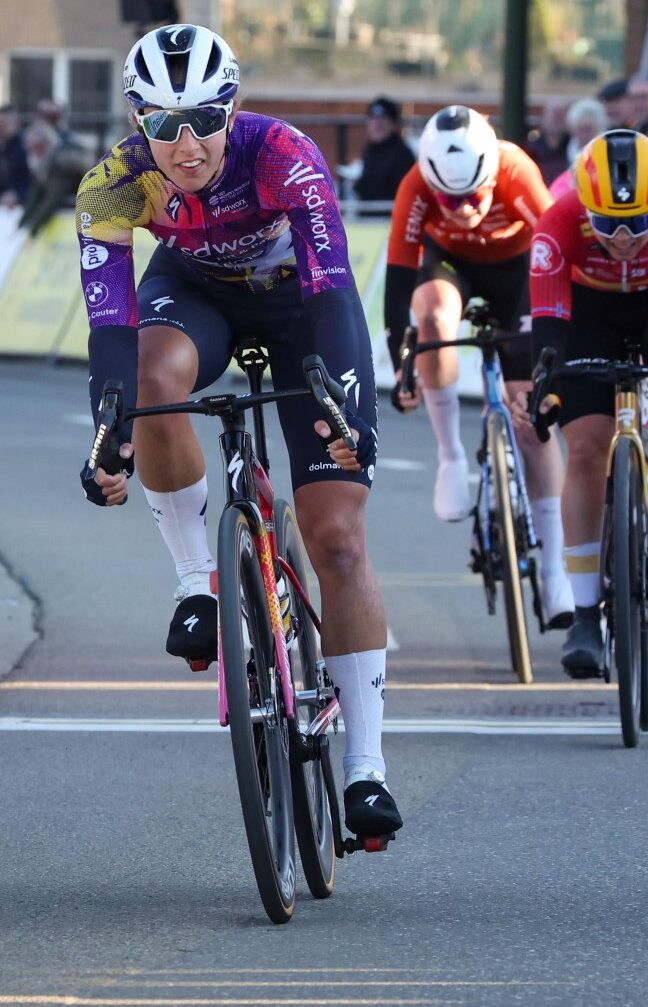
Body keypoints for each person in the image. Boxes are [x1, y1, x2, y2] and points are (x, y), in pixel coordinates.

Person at [75, 26, 400, 839]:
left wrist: (348, 410)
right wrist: (108, 431)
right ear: (135, 120)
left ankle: (366, 769)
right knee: (151, 382)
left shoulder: (283, 154)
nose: (186, 146)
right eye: (162, 124)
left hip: (302, 307)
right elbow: (109, 328)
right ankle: (197, 583)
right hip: (197, 295)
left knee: (339, 541)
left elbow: (332, 292)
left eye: (205, 119)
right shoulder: (112, 186)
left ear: (234, 108)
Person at [527, 130, 648, 677]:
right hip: (588, 314)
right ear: (584, 206)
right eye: (606, 222)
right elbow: (548, 336)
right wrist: (546, 387)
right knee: (586, 450)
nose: (620, 237)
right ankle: (586, 614)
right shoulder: (559, 220)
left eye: (637, 223)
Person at [381, 105, 572, 621]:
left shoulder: (515, 170)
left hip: (520, 271)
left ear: (490, 174)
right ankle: (450, 456)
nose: (463, 207)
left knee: (531, 422)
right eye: (449, 198)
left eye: (473, 196)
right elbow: (399, 278)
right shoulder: (415, 184)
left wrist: (555, 343)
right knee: (436, 318)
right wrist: (404, 360)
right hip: (452, 267)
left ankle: (554, 568)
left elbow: (559, 248)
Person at [353, 95, 412, 203]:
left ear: (395, 124)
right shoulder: (369, 150)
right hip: (366, 216)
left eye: (383, 119)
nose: (377, 123)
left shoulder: (402, 155)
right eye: (373, 118)